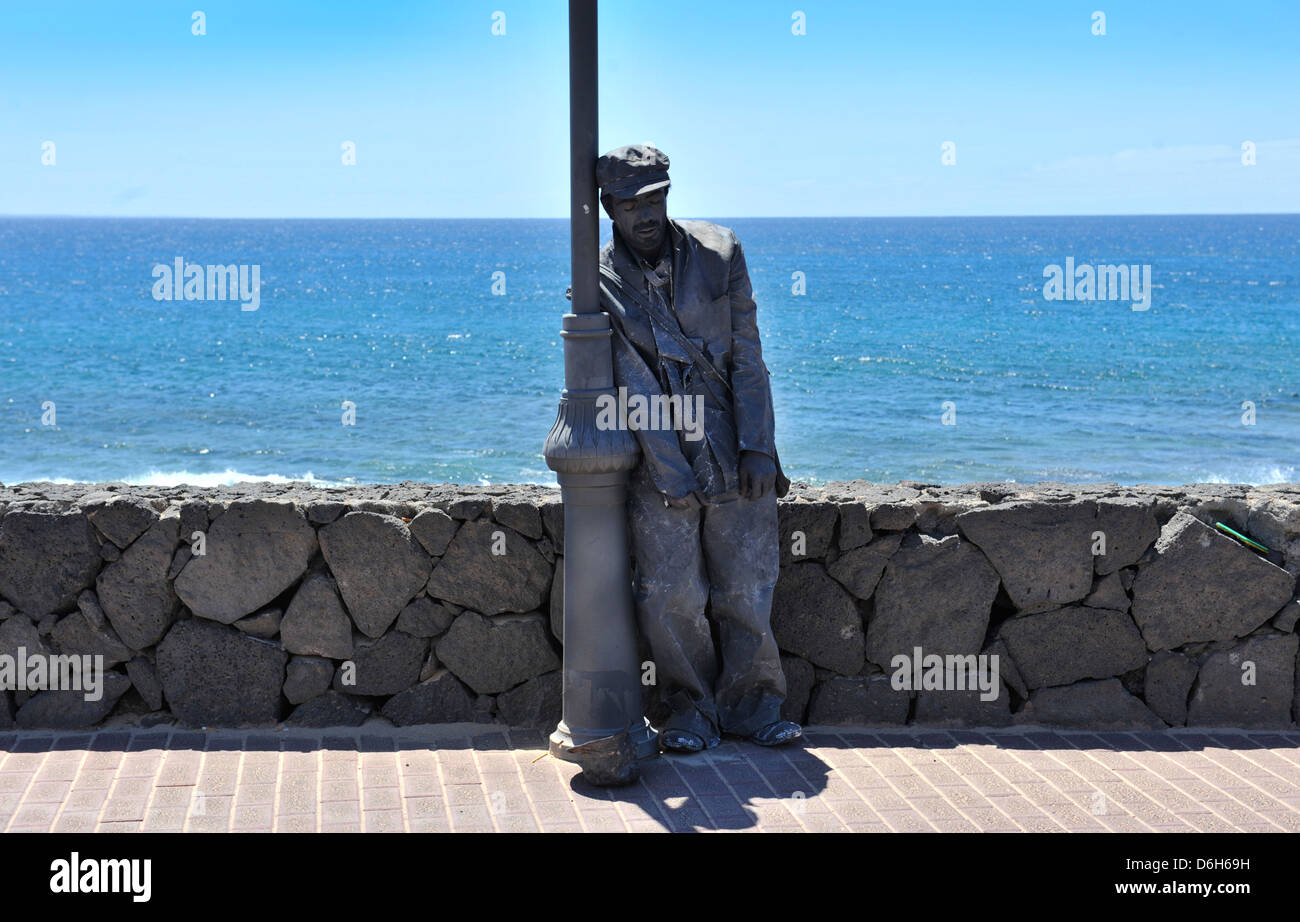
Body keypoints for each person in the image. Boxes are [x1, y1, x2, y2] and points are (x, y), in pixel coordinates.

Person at [594, 143, 802, 753]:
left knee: (747, 586)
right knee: (670, 596)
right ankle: (688, 711)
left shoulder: (721, 252)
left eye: (654, 199)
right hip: (659, 457)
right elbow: (628, 375)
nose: (646, 214)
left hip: (733, 445)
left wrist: (760, 447)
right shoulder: (601, 276)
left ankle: (755, 707)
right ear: (609, 206)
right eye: (631, 203)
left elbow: (748, 352)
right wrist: (668, 471)